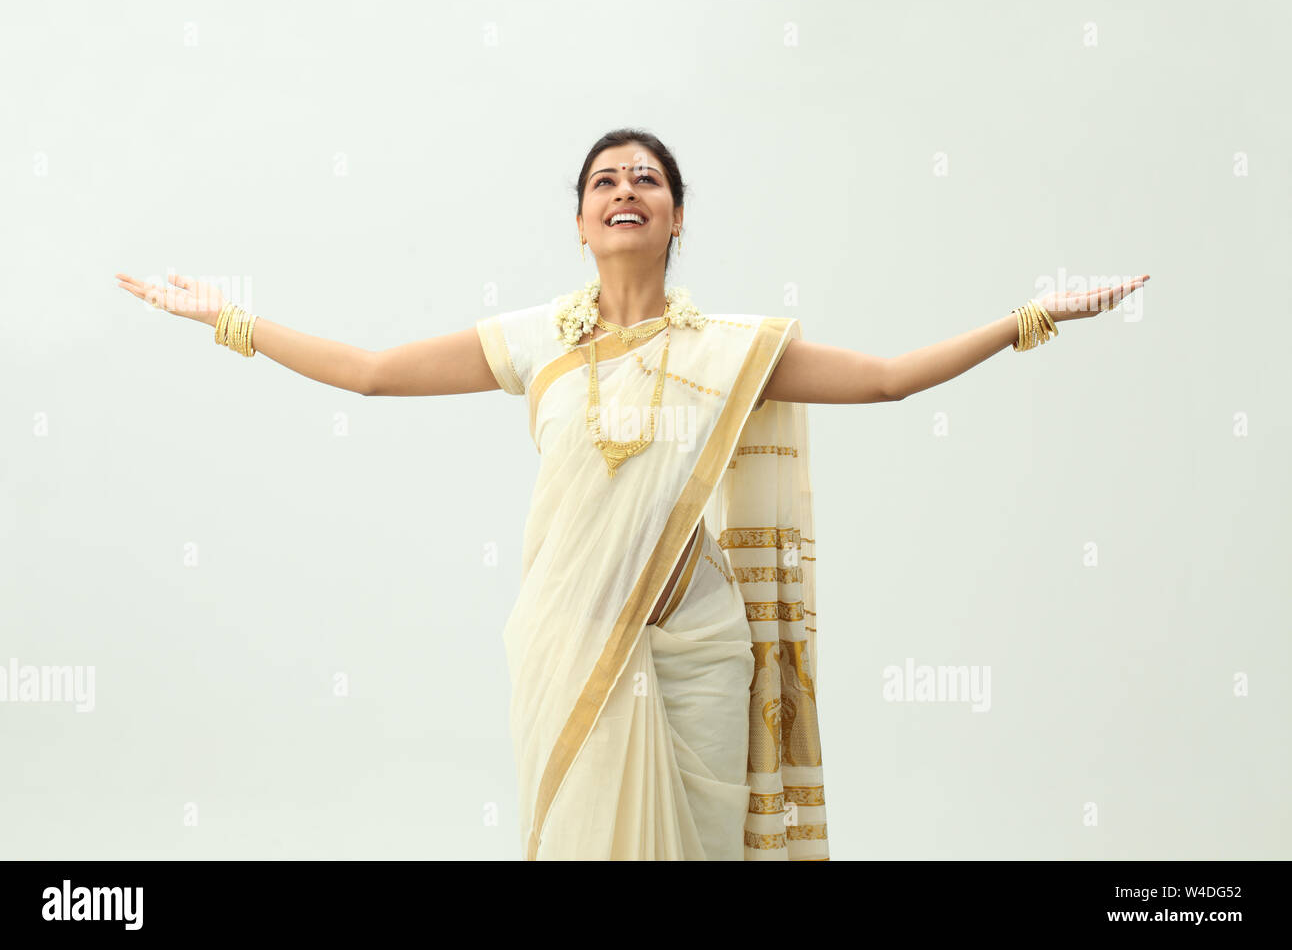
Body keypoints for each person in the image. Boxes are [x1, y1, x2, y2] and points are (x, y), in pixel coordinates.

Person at [115, 128, 1149, 861]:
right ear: (578, 220)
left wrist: (1030, 317)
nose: (624, 188)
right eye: (604, 178)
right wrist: (226, 317)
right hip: (563, 648)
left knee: (697, 847)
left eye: (646, 179)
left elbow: (886, 378)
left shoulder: (729, 349)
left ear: (675, 216)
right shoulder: (536, 340)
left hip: (697, 648)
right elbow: (374, 369)